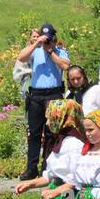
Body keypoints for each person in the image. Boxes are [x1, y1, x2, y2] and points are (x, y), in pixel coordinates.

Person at [17, 23, 70, 180]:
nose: (47, 42)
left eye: (49, 39)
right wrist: (36, 44)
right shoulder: (36, 50)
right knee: (34, 133)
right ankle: (31, 168)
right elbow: (21, 57)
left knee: (51, 133)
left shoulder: (60, 51)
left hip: (53, 95)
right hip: (36, 95)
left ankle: (47, 167)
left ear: (54, 38)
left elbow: (65, 65)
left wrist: (51, 51)